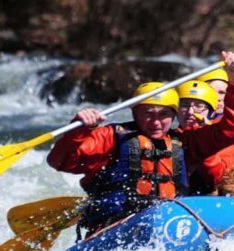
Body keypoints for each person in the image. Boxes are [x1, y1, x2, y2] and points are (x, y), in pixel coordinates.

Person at [47, 82, 180, 238]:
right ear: (134, 113)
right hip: (113, 229)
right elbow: (61, 162)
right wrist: (79, 131)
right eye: (148, 113)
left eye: (163, 114)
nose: (156, 122)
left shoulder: (182, 141)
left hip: (167, 226)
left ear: (174, 115)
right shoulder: (111, 137)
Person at [174, 52, 234, 196]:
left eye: (198, 106)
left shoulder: (207, 136)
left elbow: (232, 129)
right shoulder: (169, 136)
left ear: (211, 110)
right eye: (184, 105)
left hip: (211, 199)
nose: (190, 112)